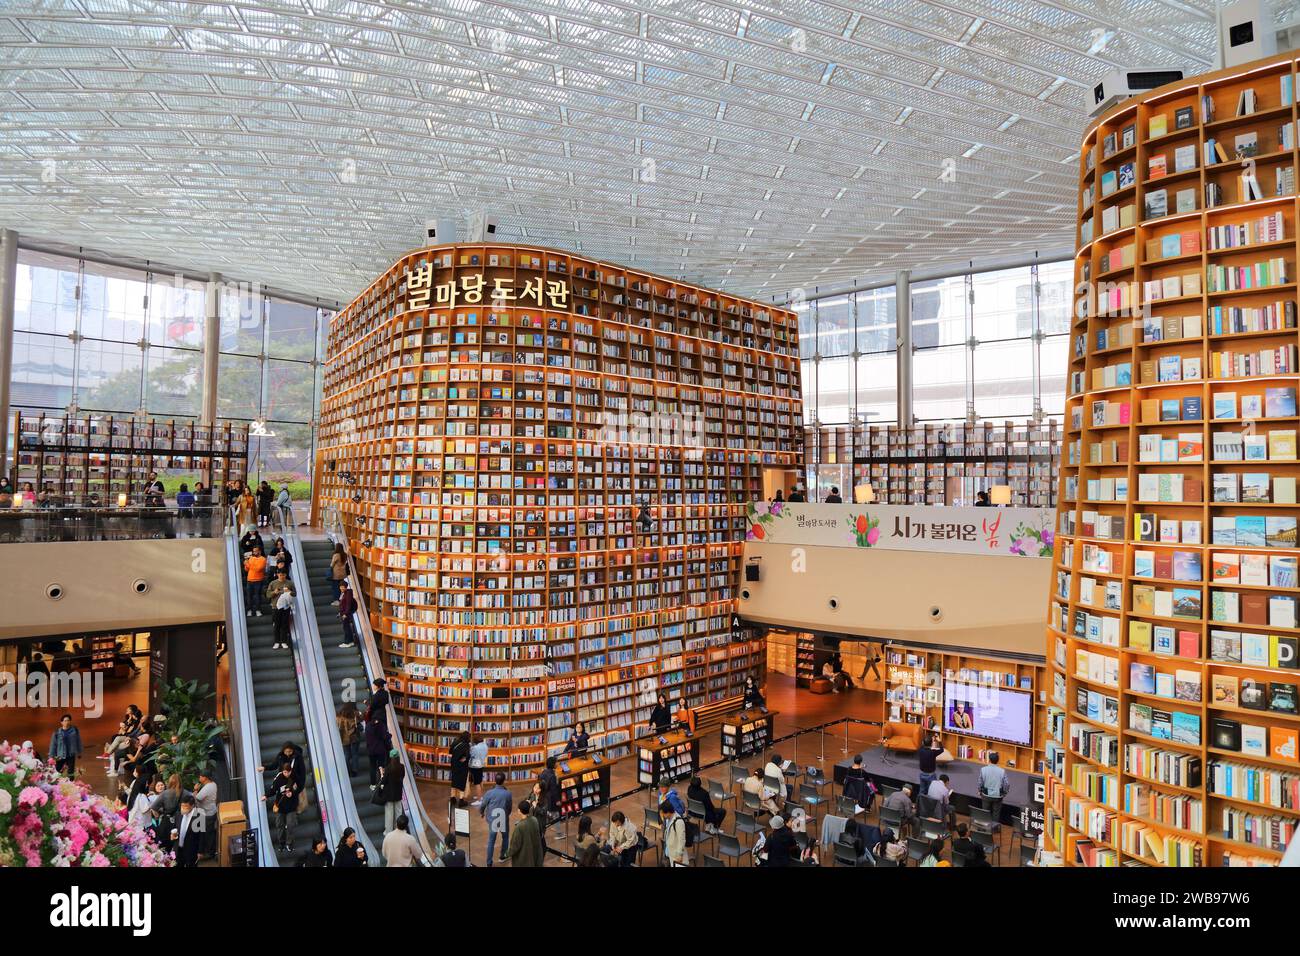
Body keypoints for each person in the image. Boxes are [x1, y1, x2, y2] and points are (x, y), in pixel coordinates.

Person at [264, 763, 302, 853]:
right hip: (280, 806)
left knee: (290, 825)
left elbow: (298, 788)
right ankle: (281, 843)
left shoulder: (294, 777)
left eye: (288, 772)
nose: (287, 774)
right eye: (285, 772)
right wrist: (266, 796)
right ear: (282, 771)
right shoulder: (279, 778)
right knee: (279, 825)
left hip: (291, 806)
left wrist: (292, 793)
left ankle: (289, 843)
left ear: (291, 771)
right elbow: (273, 790)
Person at [480, 772, 513, 866]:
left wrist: (482, 812)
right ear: (504, 781)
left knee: (491, 840)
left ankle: (489, 863)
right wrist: (507, 815)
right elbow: (509, 807)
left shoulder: (489, 793)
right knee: (505, 837)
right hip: (503, 818)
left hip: (492, 819)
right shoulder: (508, 793)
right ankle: (503, 856)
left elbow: (483, 805)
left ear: (495, 780)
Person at [506, 799, 543, 867]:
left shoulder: (520, 826)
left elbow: (515, 844)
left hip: (524, 858)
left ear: (519, 811)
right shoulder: (535, 820)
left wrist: (507, 853)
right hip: (535, 854)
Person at [979, 751, 1010, 825]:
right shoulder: (1002, 771)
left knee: (985, 812)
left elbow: (980, 782)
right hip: (998, 796)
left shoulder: (983, 769)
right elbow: (1007, 784)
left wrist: (980, 790)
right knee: (996, 813)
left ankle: (985, 827)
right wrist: (1005, 792)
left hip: (985, 795)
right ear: (998, 761)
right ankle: (994, 828)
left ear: (989, 760)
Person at [267, 568, 295, 649]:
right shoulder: (273, 583)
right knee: (276, 625)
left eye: (283, 575)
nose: (281, 576)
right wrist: (274, 592)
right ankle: (276, 642)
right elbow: (268, 595)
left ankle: (284, 641)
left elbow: (295, 593)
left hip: (286, 607)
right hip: (276, 606)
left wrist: (289, 591)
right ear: (277, 574)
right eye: (279, 575)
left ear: (285, 575)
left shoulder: (290, 583)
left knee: (284, 624)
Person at [173, 795, 203, 867]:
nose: (183, 808)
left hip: (191, 850)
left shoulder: (199, 817)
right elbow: (175, 828)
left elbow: (202, 836)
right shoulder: (178, 814)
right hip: (178, 848)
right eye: (182, 805)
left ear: (192, 806)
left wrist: (200, 851)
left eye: (186, 806)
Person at [380, 749, 405, 834]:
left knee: (389, 814)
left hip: (389, 794)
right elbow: (403, 776)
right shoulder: (401, 767)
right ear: (398, 757)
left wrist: (382, 774)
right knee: (398, 812)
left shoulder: (388, 768)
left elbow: (384, 781)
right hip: (398, 793)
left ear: (390, 758)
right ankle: (399, 829)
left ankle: (389, 831)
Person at [365, 704, 391, 786]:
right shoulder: (381, 726)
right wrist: (389, 735)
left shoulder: (368, 726)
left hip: (371, 750)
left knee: (372, 767)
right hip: (380, 750)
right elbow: (384, 736)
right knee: (381, 766)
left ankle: (373, 784)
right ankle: (381, 783)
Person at [661, 800, 688, 867]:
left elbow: (681, 839)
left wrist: (679, 855)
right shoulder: (669, 819)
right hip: (671, 853)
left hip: (677, 856)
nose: (663, 816)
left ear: (668, 812)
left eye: (663, 814)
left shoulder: (678, 822)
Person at [243, 545, 268, 616]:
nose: (254, 552)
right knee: (249, 596)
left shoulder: (263, 559)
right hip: (249, 580)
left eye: (256, 551)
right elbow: (247, 569)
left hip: (258, 580)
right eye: (253, 551)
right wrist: (246, 564)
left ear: (259, 551)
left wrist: (247, 564)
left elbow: (258, 569)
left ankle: (258, 610)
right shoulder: (251, 558)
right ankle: (249, 610)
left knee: (257, 596)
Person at [337, 703, 361, 776]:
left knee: (347, 754)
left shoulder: (339, 715)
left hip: (344, 738)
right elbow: (360, 721)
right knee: (354, 754)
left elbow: (339, 727)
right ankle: (354, 771)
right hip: (354, 737)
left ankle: (347, 770)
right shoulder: (355, 714)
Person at [449, 731, 471, 807]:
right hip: (462, 766)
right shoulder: (466, 745)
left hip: (454, 764)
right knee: (462, 782)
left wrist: (456, 756)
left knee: (454, 780)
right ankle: (461, 800)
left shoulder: (455, 742)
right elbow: (467, 756)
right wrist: (464, 759)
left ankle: (452, 798)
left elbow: (450, 751)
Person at [337, 579, 359, 648]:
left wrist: (345, 614)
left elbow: (348, 604)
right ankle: (350, 641)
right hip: (344, 613)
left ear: (346, 587)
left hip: (346, 614)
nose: (341, 588)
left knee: (346, 628)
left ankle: (348, 642)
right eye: (340, 587)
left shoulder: (348, 593)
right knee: (346, 627)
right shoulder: (344, 593)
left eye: (343, 587)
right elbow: (343, 604)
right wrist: (340, 613)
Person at [468, 734, 488, 803]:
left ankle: (479, 800)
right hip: (481, 764)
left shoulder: (475, 748)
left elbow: (471, 755)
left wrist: (470, 747)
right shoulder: (485, 745)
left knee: (477, 783)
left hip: (475, 766)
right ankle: (480, 796)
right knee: (480, 781)